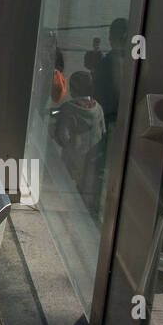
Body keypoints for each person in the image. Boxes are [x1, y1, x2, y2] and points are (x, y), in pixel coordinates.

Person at [51, 71, 107, 219]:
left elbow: (62, 135)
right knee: (86, 189)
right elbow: (103, 132)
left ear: (73, 89)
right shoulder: (98, 108)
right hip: (92, 160)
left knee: (69, 191)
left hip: (72, 159)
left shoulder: (69, 108)